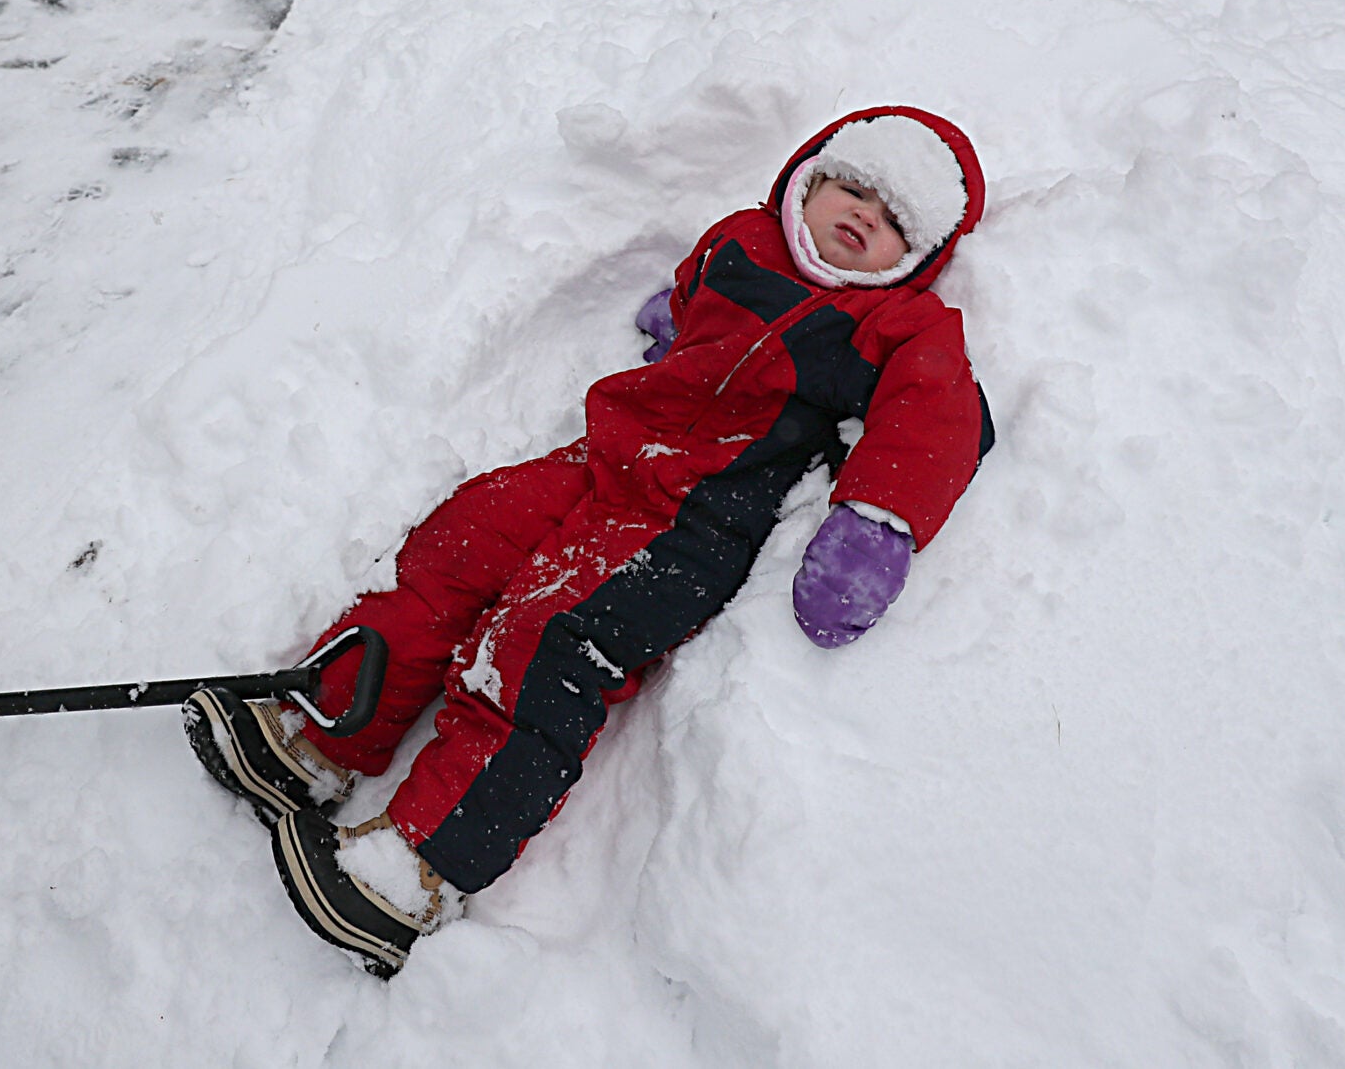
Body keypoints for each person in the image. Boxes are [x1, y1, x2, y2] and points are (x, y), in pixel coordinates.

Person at [185, 108, 995, 976]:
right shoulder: (743, 239)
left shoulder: (899, 325)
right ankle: (319, 733)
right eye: (854, 186)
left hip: (689, 526)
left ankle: (416, 866)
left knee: (541, 642)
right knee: (462, 539)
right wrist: (674, 322)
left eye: (896, 218)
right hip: (605, 460)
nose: (865, 213)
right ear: (810, 178)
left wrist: (875, 527)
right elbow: (694, 288)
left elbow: (938, 422)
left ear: (920, 254)